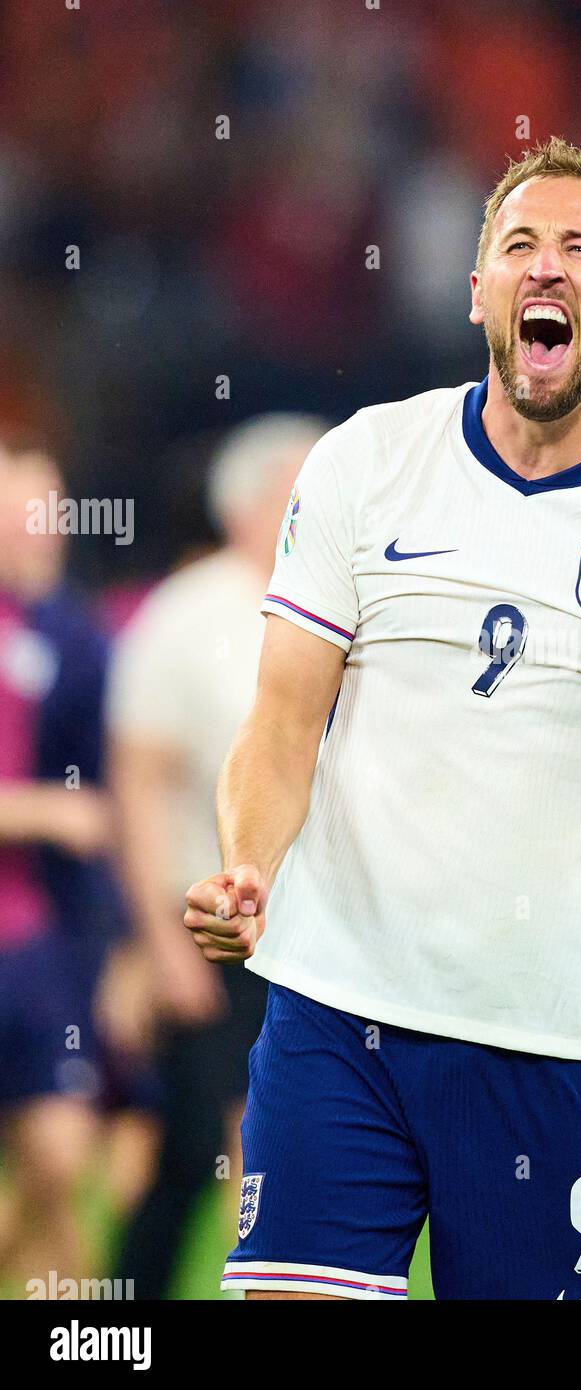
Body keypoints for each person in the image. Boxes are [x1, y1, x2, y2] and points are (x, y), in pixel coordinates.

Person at [185, 138, 581, 1301]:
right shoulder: (366, 463)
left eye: (580, 249)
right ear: (478, 294)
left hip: (547, 1048)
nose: (545, 270)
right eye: (518, 246)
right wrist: (248, 866)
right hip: (333, 1015)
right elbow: (280, 724)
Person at [99, 415, 327, 1299]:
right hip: (213, 929)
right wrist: (159, 945)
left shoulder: (343, 606)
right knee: (218, 1147)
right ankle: (125, 1312)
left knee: (239, 1148)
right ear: (254, 503)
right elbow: (138, 788)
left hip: (318, 931)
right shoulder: (189, 616)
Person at [0, 442, 119, 1292]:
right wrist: (41, 810)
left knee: (61, 1156)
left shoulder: (72, 635)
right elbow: (71, 809)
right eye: (25, 511)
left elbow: (110, 798)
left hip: (38, 942)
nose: (48, 529)